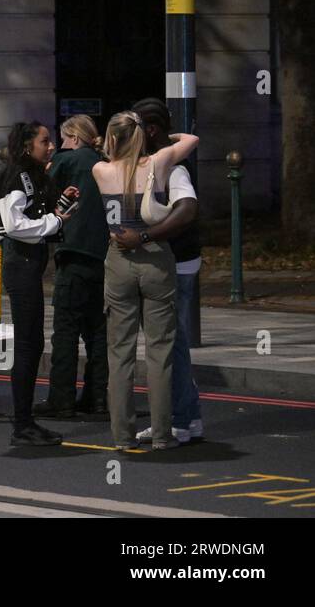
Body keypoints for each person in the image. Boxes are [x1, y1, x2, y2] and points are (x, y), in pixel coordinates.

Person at [92, 111, 198, 450]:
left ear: (112, 138)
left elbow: (107, 154)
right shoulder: (160, 163)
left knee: (120, 353)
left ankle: (123, 436)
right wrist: (159, 138)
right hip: (156, 259)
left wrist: (111, 142)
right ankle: (163, 434)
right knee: (160, 352)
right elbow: (190, 142)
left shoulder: (101, 171)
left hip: (119, 262)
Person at [0, 121, 80, 447]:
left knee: (32, 345)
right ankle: (22, 423)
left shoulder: (33, 176)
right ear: (28, 144)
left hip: (29, 267)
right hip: (21, 267)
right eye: (45, 140)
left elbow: (34, 215)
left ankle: (25, 421)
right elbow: (14, 224)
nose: (52, 145)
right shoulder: (17, 175)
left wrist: (60, 205)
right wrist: (55, 220)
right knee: (28, 346)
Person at [123, 98, 204, 444]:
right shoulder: (160, 161)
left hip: (176, 264)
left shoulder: (173, 168)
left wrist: (143, 236)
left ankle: (184, 419)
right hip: (163, 262)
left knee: (172, 345)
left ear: (150, 131)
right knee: (168, 343)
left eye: (135, 129)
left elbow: (186, 210)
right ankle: (184, 417)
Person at [36, 115, 109, 418]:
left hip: (74, 252)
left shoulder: (69, 160)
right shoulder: (105, 162)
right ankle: (97, 398)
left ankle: (61, 399)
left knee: (65, 330)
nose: (60, 145)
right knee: (98, 332)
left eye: (64, 139)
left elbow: (43, 194)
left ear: (75, 138)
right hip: (104, 256)